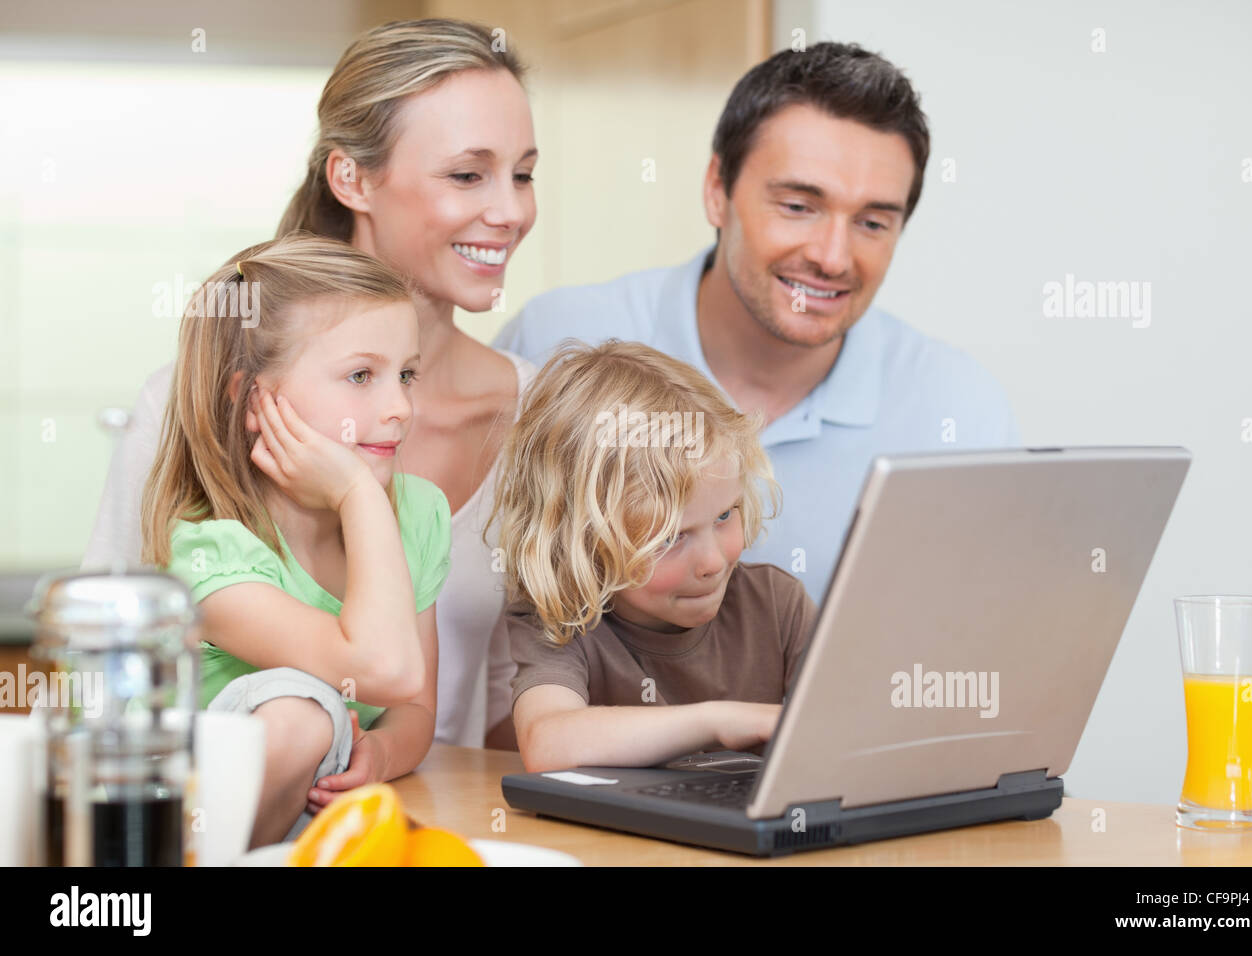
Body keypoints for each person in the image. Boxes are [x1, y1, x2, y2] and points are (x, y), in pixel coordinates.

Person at [83, 18, 538, 751]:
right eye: (467, 173)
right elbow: (107, 662)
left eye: (523, 174)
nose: (512, 211)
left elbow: (511, 689)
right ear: (350, 177)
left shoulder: (543, 414)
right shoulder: (190, 401)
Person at [495, 42, 1020, 604]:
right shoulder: (555, 341)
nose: (834, 257)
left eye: (871, 222)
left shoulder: (961, 413)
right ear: (717, 190)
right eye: (798, 206)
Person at [142, 235, 447, 845]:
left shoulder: (416, 512)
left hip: (306, 816)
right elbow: (382, 668)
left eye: (406, 374)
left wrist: (381, 755)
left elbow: (411, 702)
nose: (399, 407)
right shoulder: (208, 552)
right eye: (361, 375)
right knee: (303, 710)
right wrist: (358, 495)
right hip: (182, 819)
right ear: (252, 398)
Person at [489, 341, 818, 772]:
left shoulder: (777, 603)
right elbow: (547, 744)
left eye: (724, 515)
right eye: (668, 539)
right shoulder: (561, 621)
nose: (713, 562)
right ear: (584, 540)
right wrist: (719, 721)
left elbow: (859, 725)